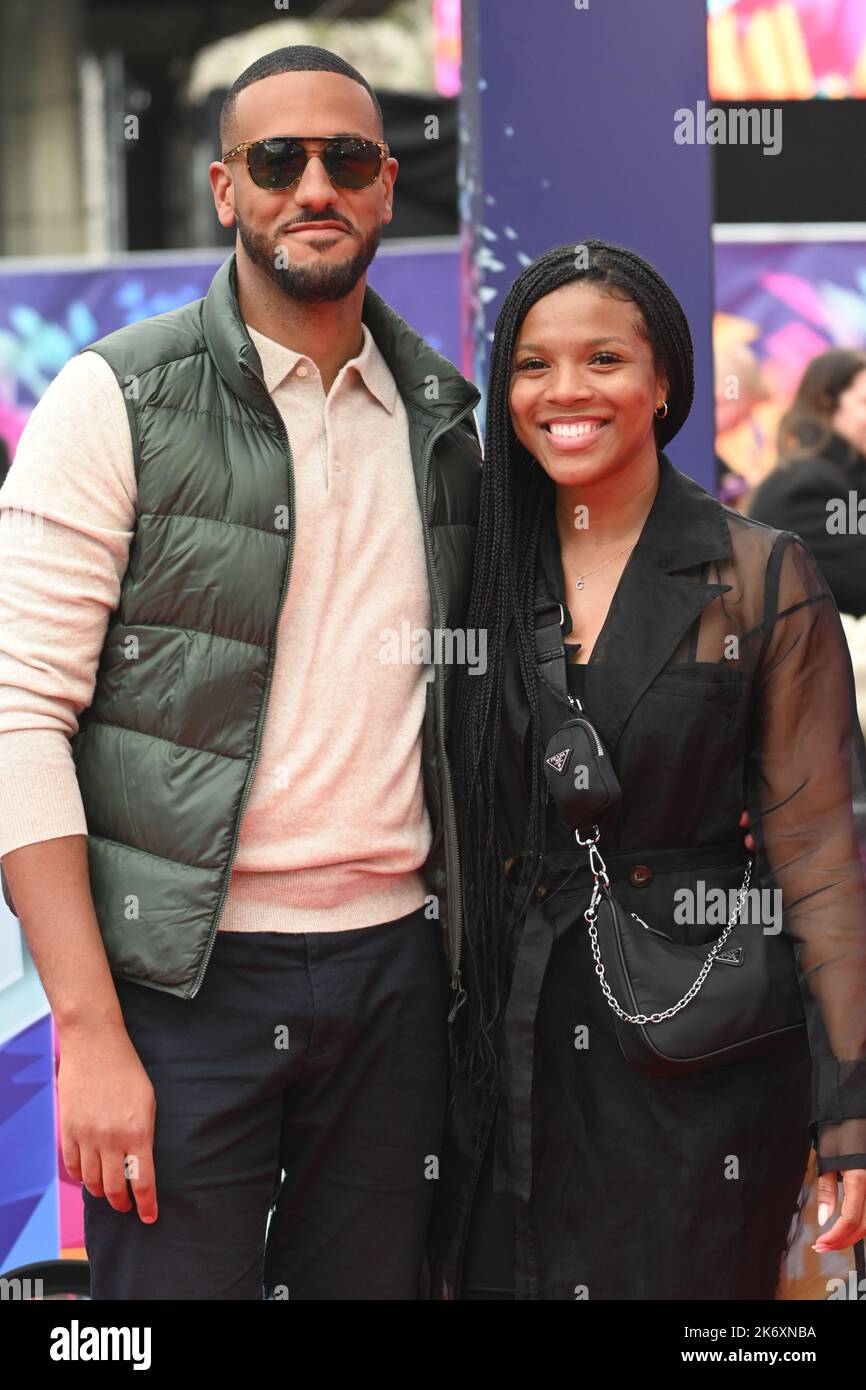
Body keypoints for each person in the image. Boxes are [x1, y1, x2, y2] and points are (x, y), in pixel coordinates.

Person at [0, 45, 484, 1300]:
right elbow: (15, 716)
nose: (312, 185)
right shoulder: (113, 400)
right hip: (176, 985)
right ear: (226, 189)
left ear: (386, 189)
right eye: (277, 160)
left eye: (349, 159)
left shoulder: (442, 416)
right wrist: (90, 1032)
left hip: (398, 980)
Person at [428, 240, 866, 1301]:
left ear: (663, 379)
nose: (564, 391)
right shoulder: (472, 569)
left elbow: (818, 853)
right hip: (491, 1046)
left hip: (696, 1049)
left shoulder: (755, 572)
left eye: (603, 360)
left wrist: (847, 1112)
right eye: (532, 365)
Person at [747, 348, 866, 618]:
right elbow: (858, 586)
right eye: (865, 402)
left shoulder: (836, 475)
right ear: (827, 402)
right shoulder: (808, 486)